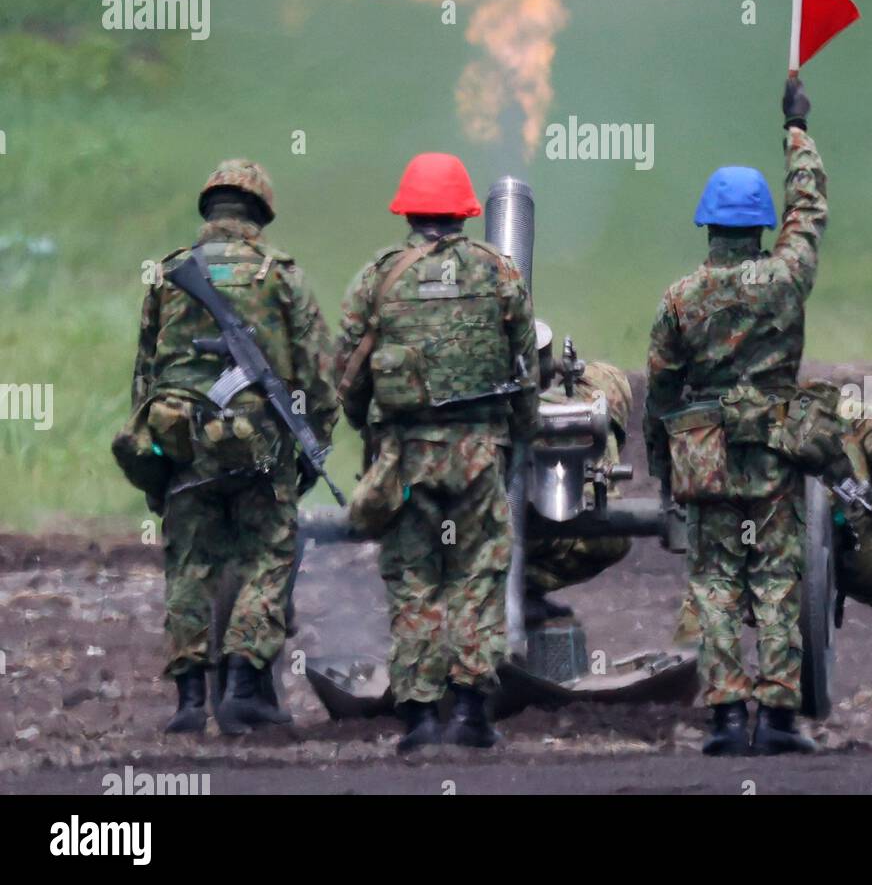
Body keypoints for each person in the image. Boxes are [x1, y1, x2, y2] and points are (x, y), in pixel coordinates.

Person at [114, 159, 338, 735]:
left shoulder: (168, 275)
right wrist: (315, 447)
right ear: (260, 214)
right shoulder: (280, 273)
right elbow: (319, 374)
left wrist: (152, 451)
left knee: (189, 564)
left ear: (209, 210)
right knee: (268, 558)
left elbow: (145, 374)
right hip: (260, 449)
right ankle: (242, 685)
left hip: (182, 445)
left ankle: (190, 700)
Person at [644, 76, 827, 755]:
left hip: (706, 459)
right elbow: (807, 214)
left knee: (716, 582)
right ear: (757, 226)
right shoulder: (784, 281)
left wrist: (662, 468)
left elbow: (660, 394)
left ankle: (724, 718)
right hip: (773, 450)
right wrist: (797, 133)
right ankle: (778, 719)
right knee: (777, 579)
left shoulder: (680, 299)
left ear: (708, 224)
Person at [334, 152, 538, 750]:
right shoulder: (499, 273)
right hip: (479, 452)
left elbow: (346, 372)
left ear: (409, 210)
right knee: (477, 575)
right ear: (463, 212)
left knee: (414, 580)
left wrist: (370, 437)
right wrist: (519, 434)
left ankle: (420, 719)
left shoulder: (378, 276)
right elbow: (524, 367)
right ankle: (472, 713)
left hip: (405, 458)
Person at [523, 324, 632, 621]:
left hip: (476, 524)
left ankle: (506, 590)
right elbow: (604, 506)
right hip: (521, 528)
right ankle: (517, 589)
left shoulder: (553, 407)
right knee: (611, 538)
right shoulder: (588, 414)